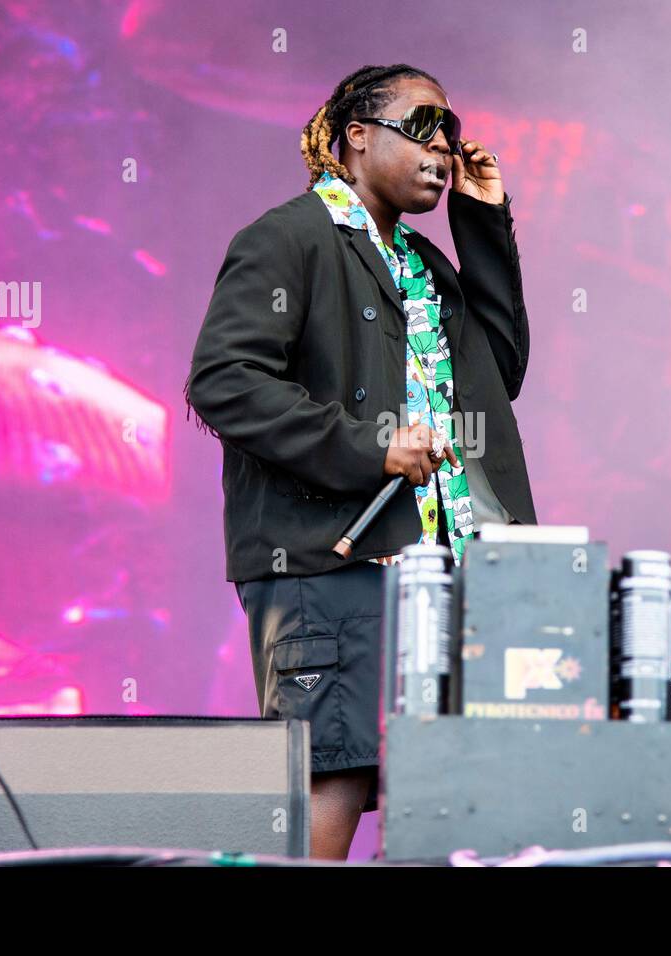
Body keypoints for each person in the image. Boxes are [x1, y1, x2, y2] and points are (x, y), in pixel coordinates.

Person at [184, 64, 537, 858]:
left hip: (437, 573)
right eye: (423, 124)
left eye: (450, 128)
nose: (443, 146)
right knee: (335, 771)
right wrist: (370, 447)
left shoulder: (423, 263)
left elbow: (497, 376)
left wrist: (482, 226)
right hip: (326, 565)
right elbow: (223, 382)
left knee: (437, 787)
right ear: (356, 136)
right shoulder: (290, 237)